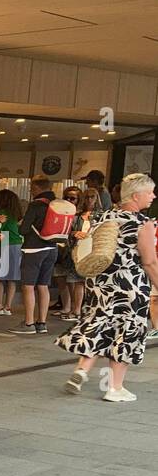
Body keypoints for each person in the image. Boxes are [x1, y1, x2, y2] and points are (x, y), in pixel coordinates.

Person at [59, 173, 158, 403]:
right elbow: (149, 261)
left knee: (100, 322)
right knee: (127, 332)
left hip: (101, 282)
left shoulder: (104, 215)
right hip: (129, 286)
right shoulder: (141, 223)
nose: (153, 196)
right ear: (136, 196)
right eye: (150, 192)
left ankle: (82, 369)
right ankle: (115, 388)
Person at [12, 177, 59, 334]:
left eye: (32, 188)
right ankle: (42, 322)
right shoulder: (57, 204)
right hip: (52, 248)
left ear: (38, 188)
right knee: (43, 286)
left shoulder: (36, 205)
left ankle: (28, 323)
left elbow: (24, 229)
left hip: (34, 249)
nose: (31, 192)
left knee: (28, 286)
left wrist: (21, 224)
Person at [57, 187, 99, 322]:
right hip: (77, 251)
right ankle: (76, 310)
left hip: (93, 251)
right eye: (87, 197)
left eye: (92, 197)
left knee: (89, 283)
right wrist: (75, 233)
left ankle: (85, 310)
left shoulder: (100, 216)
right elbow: (67, 231)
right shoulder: (77, 216)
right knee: (76, 281)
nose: (89, 200)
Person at [0, 188, 24, 315]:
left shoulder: (3, 213)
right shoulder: (16, 214)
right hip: (17, 244)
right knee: (12, 279)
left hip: (3, 243)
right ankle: (7, 307)